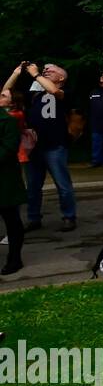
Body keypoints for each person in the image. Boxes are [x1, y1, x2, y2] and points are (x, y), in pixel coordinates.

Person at [4, 62, 76, 232]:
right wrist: (16, 73)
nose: (46, 71)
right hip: (34, 147)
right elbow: (5, 93)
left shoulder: (65, 92)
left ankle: (69, 216)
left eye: (51, 70)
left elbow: (54, 91)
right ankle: (34, 218)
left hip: (55, 146)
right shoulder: (33, 95)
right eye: (45, 70)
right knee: (33, 187)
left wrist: (36, 75)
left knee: (63, 185)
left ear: (61, 78)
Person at [0, 87, 26, 276]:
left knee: (11, 219)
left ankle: (15, 258)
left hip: (5, 179)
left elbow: (9, 148)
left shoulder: (8, 121)